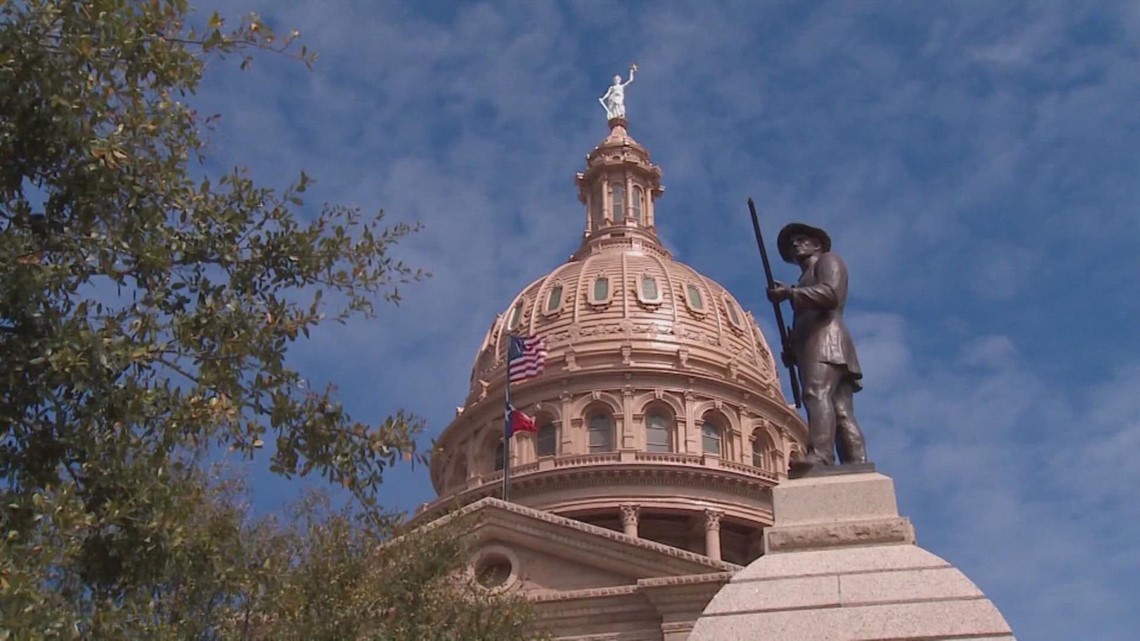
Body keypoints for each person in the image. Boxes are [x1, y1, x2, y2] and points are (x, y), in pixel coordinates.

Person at [767, 223, 868, 471]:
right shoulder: (803, 280)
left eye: (801, 239)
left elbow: (830, 295)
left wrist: (790, 294)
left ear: (817, 244)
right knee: (840, 410)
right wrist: (792, 348)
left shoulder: (828, 261)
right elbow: (805, 321)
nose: (795, 245)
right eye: (792, 243)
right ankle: (856, 463)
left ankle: (821, 456)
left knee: (816, 394)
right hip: (815, 345)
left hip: (827, 342)